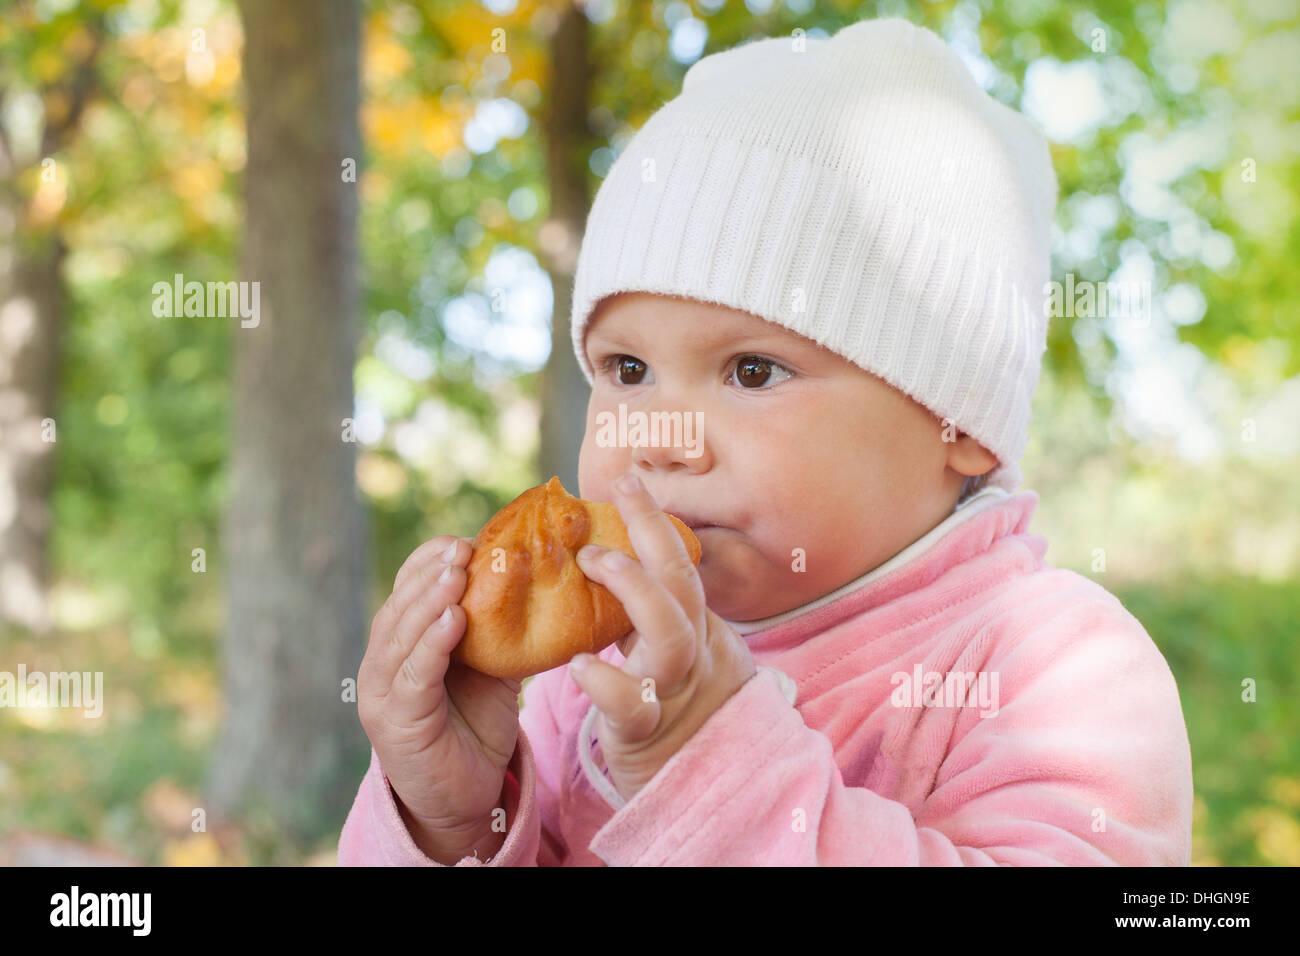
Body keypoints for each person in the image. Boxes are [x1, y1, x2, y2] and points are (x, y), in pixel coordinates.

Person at [338, 17, 1193, 866]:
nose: (659, 441)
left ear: (959, 421)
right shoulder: (584, 671)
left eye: (752, 372)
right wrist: (455, 819)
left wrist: (708, 773)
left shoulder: (1056, 670)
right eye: (628, 369)